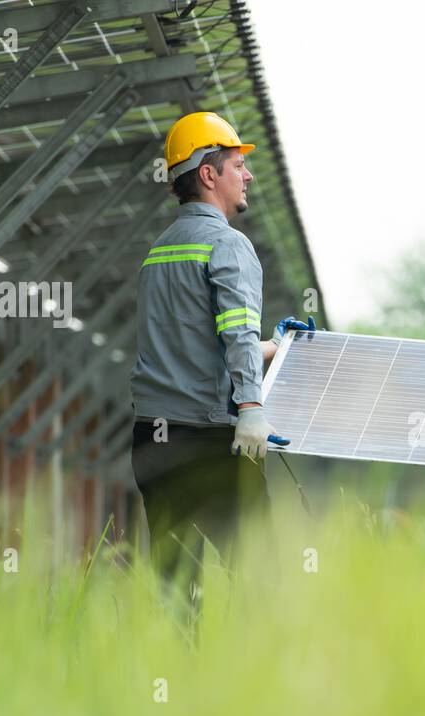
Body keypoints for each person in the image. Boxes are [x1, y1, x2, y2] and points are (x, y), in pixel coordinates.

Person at [129, 111, 294, 588]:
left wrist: (274, 347)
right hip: (210, 441)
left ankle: (170, 666)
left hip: (153, 440)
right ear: (209, 174)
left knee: (175, 588)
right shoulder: (228, 244)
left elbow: (198, 341)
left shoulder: (158, 252)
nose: (248, 175)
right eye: (237, 164)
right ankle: (254, 666)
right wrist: (251, 408)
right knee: (260, 584)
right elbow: (237, 334)